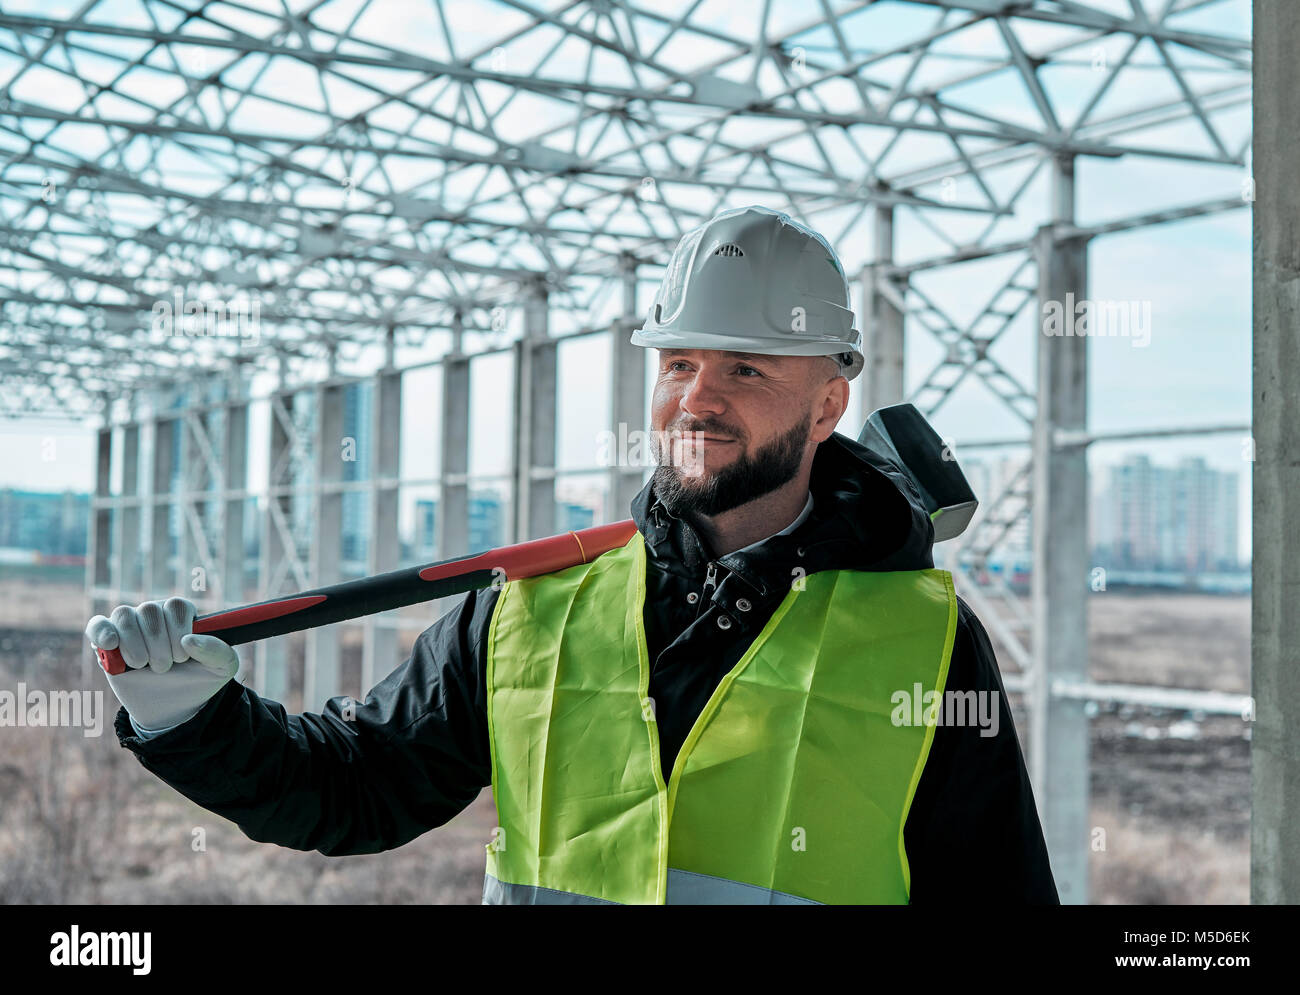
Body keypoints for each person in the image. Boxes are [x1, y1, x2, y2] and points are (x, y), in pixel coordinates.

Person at [88, 205, 1059, 904]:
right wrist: (193, 720)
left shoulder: (922, 641)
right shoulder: (536, 602)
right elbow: (360, 790)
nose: (696, 398)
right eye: (677, 362)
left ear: (827, 404)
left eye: (744, 368)